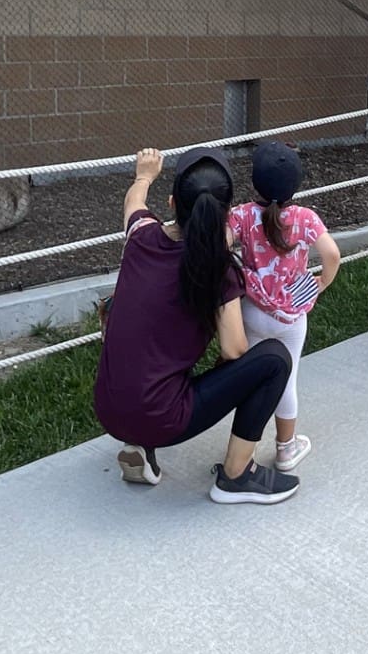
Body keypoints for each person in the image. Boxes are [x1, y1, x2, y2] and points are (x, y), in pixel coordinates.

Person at [94, 146, 301, 504]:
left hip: (108, 407)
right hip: (162, 417)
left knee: (146, 343)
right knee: (275, 360)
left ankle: (140, 443)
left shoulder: (142, 237)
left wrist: (144, 175)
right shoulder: (217, 270)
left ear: (173, 203)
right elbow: (234, 349)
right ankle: (237, 476)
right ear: (228, 214)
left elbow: (133, 203)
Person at [226, 142, 342, 472]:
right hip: (290, 317)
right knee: (287, 381)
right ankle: (285, 449)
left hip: (251, 311)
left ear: (255, 184)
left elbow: (221, 242)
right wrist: (322, 282)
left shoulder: (243, 215)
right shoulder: (305, 218)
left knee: (253, 377)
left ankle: (242, 451)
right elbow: (332, 255)